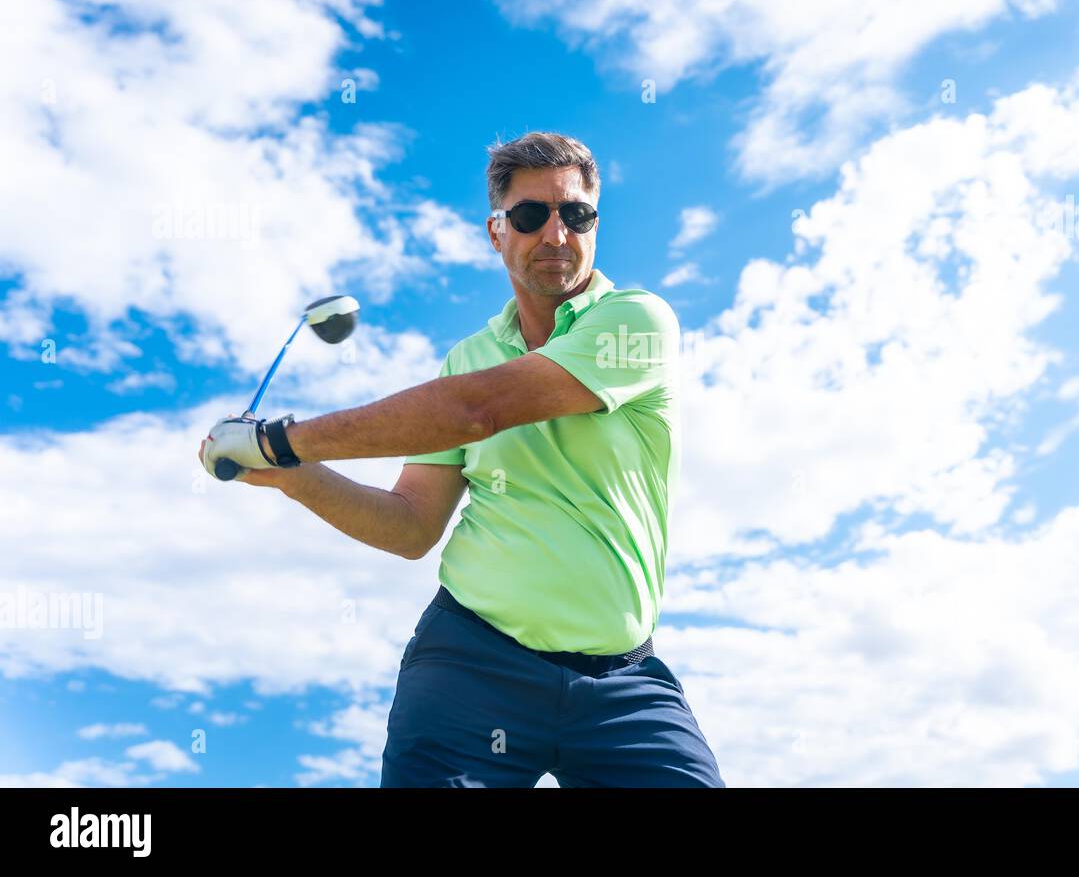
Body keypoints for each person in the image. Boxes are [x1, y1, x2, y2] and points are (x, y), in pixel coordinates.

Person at [198, 131, 725, 787]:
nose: (557, 234)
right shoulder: (467, 359)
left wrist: (280, 437)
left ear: (596, 223)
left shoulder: (637, 322)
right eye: (531, 216)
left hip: (625, 682)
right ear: (496, 232)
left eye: (576, 215)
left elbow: (482, 409)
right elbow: (412, 525)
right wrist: (288, 473)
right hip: (471, 666)